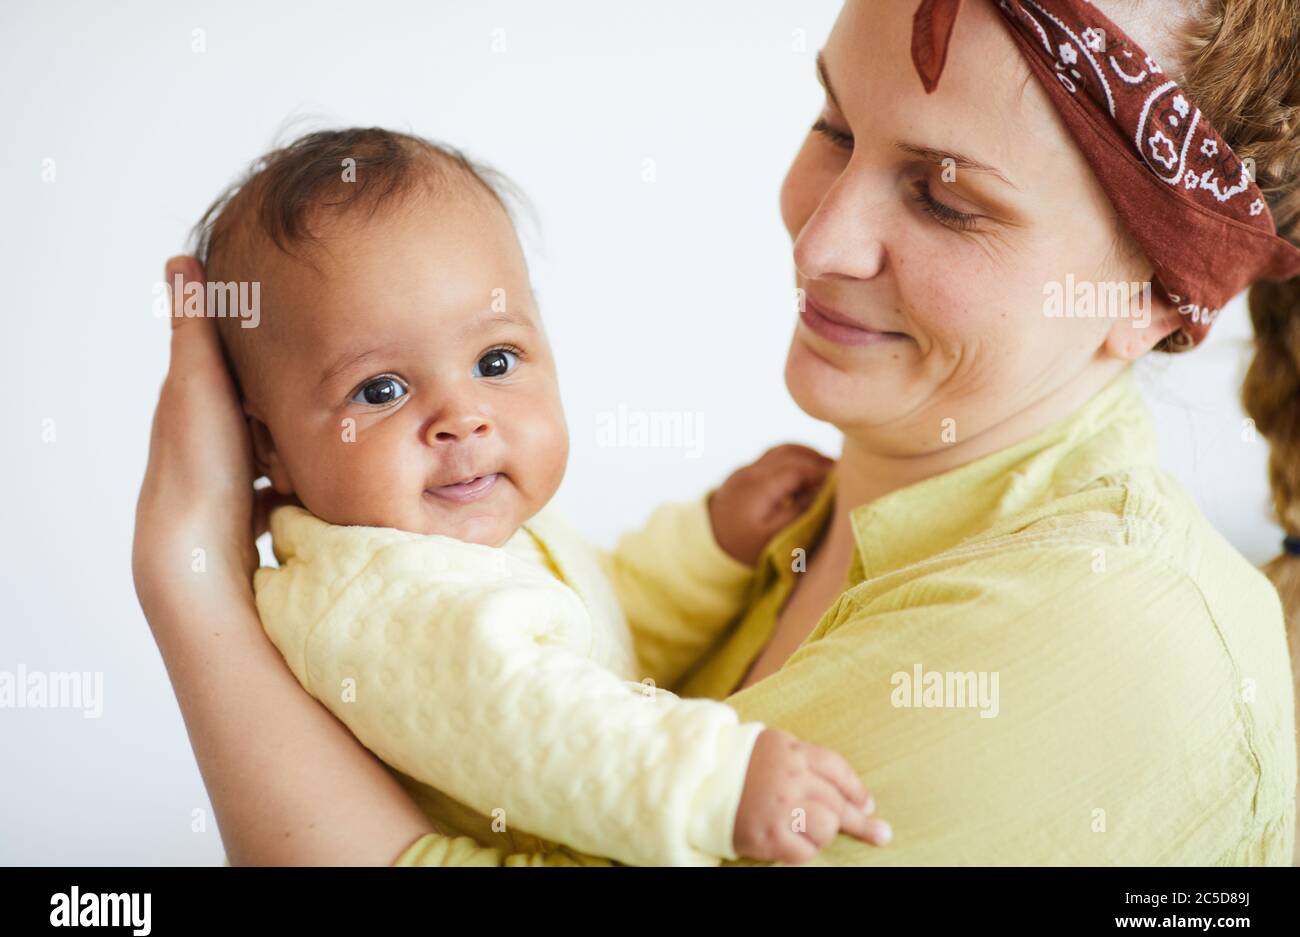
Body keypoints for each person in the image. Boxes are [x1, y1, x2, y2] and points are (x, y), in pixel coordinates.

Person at [134, 0, 1300, 865]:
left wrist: (193, 587)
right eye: (834, 124)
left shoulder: (1104, 643)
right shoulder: (826, 510)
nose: (819, 237)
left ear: (1152, 291)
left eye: (946, 196)